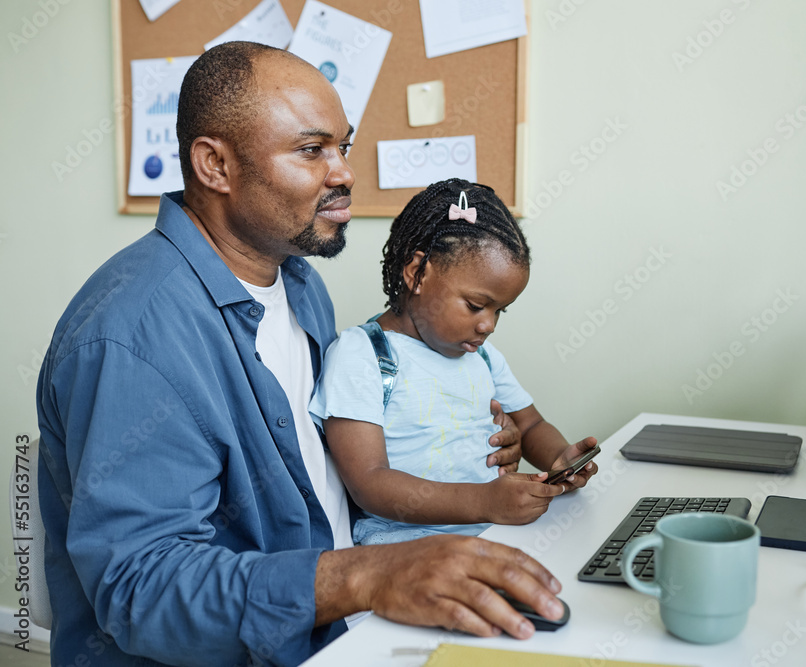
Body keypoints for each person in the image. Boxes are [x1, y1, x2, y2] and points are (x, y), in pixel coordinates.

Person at [35, 42, 566, 667]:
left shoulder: (299, 284)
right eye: (312, 150)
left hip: (342, 630)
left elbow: (321, 458)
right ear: (216, 165)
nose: (342, 173)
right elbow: (139, 591)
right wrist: (366, 576)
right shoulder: (133, 337)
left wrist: (461, 433)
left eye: (343, 146)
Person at [310, 179, 599, 546]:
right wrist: (483, 502)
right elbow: (369, 481)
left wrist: (559, 458)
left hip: (491, 534)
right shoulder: (363, 354)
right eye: (477, 306)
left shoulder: (481, 357)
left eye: (500, 311)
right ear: (417, 274)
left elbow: (529, 424)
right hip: (407, 549)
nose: (488, 325)